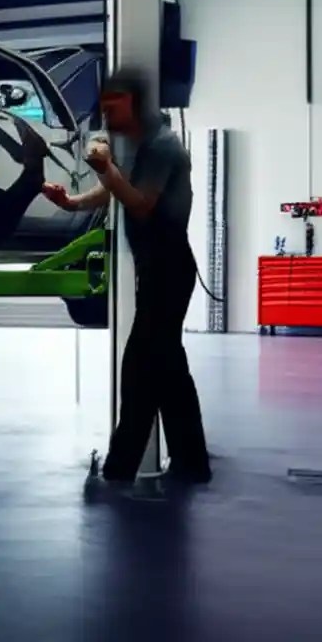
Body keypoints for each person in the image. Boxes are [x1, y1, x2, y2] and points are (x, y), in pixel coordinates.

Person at [40, 71, 212, 484]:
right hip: (156, 270)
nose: (107, 116)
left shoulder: (163, 147)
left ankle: (120, 469)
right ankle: (192, 462)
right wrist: (71, 202)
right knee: (169, 369)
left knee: (139, 369)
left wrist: (106, 169)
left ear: (135, 105)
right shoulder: (140, 148)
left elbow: (139, 203)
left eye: (113, 108)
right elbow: (110, 191)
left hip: (170, 269)